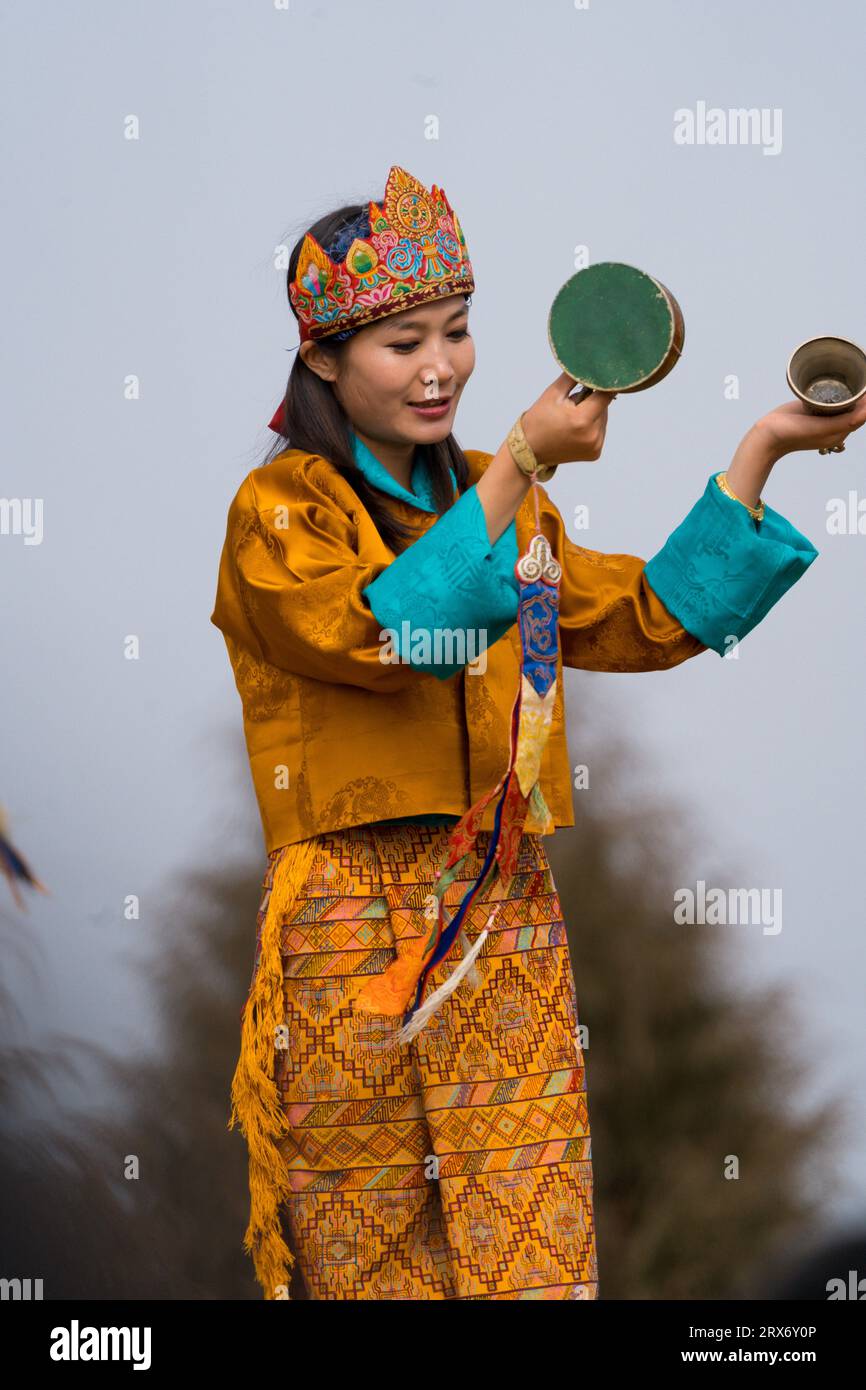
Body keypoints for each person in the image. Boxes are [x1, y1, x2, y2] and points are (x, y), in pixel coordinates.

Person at [210, 164, 865, 1301]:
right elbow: (385, 635)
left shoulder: (507, 497)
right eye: (399, 340)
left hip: (500, 903)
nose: (437, 367)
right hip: (341, 926)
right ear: (321, 359)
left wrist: (764, 444)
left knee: (532, 1252)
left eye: (456, 332)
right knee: (369, 1258)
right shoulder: (280, 514)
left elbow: (652, 614)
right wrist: (519, 455)